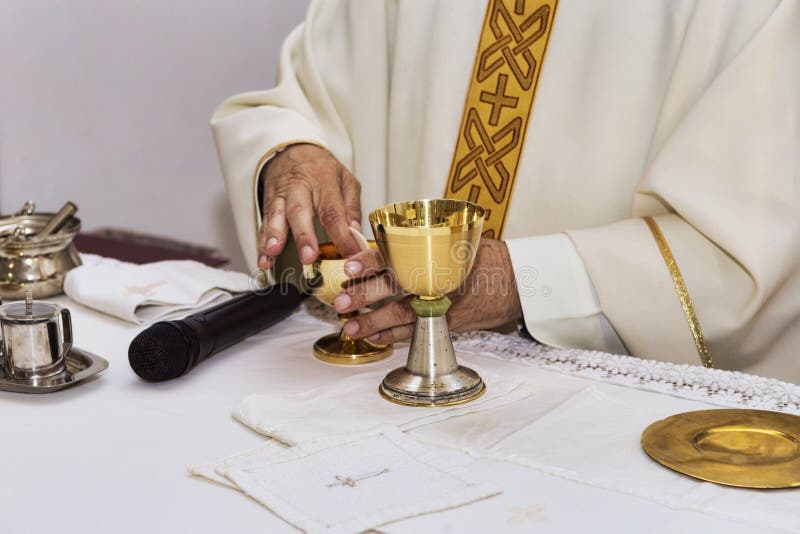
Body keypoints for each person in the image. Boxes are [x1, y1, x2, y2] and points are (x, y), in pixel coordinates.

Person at [212, 0, 800, 382]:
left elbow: (750, 247)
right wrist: (292, 158)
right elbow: (304, 101)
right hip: (371, 380)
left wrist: (522, 280)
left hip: (596, 415)